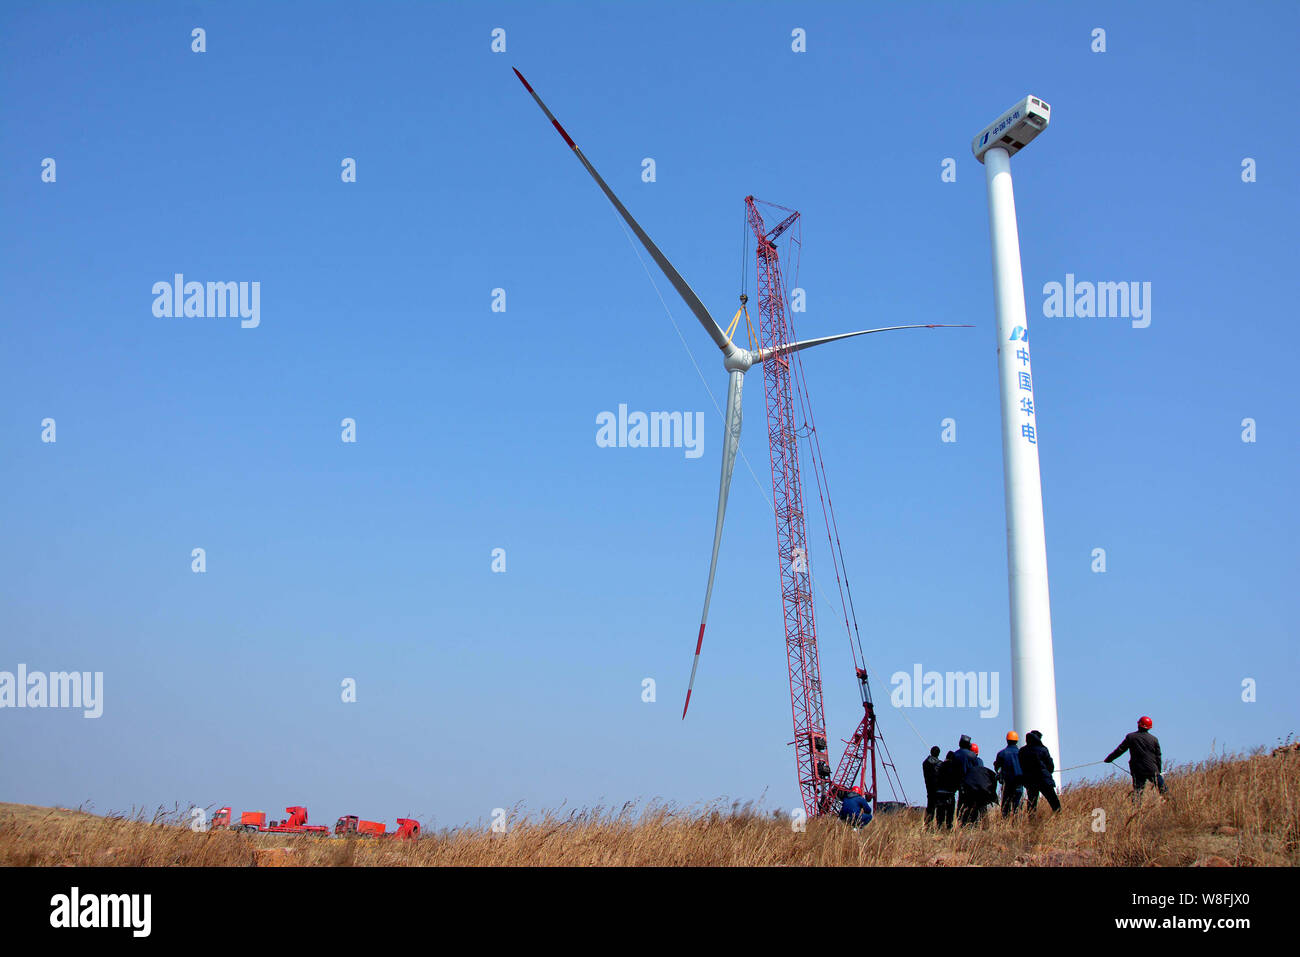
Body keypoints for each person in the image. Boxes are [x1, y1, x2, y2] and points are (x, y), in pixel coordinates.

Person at [1105, 715, 1167, 798]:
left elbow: (1120, 750)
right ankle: (1170, 803)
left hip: (1138, 770)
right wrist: (1158, 770)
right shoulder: (1154, 739)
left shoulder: (1131, 737)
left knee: (1138, 791)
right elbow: (1158, 756)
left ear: (1138, 725)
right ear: (1149, 727)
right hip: (1152, 769)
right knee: (1163, 789)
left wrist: (1109, 759)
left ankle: (1137, 809)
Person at [1018, 729, 1060, 813]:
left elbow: (1020, 766)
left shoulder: (1022, 751)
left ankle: (1032, 823)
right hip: (1043, 779)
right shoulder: (1042, 749)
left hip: (1030, 781)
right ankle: (1058, 817)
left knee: (1032, 804)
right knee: (1054, 802)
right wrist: (1047, 773)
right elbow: (1050, 765)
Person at [958, 742, 994, 825]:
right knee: (982, 808)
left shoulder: (970, 761)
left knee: (970, 807)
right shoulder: (980, 761)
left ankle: (969, 824)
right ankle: (985, 825)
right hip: (982, 787)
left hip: (972, 787)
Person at [994, 731, 1024, 817]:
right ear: (1017, 740)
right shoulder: (1021, 753)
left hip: (1007, 783)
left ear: (1007, 740)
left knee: (1005, 807)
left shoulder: (1002, 753)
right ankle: (1017, 825)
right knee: (1017, 807)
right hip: (1019, 782)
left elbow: (997, 768)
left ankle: (1006, 824)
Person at [933, 750, 961, 830]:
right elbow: (957, 780)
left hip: (940, 792)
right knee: (949, 813)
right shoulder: (954, 767)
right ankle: (949, 827)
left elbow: (936, 778)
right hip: (949, 793)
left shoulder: (940, 765)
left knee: (940, 812)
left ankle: (939, 827)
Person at [922, 746, 943, 827]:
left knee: (930, 807)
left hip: (929, 787)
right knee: (938, 809)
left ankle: (927, 825)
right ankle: (938, 826)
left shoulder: (925, 763)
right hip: (937, 789)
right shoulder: (939, 764)